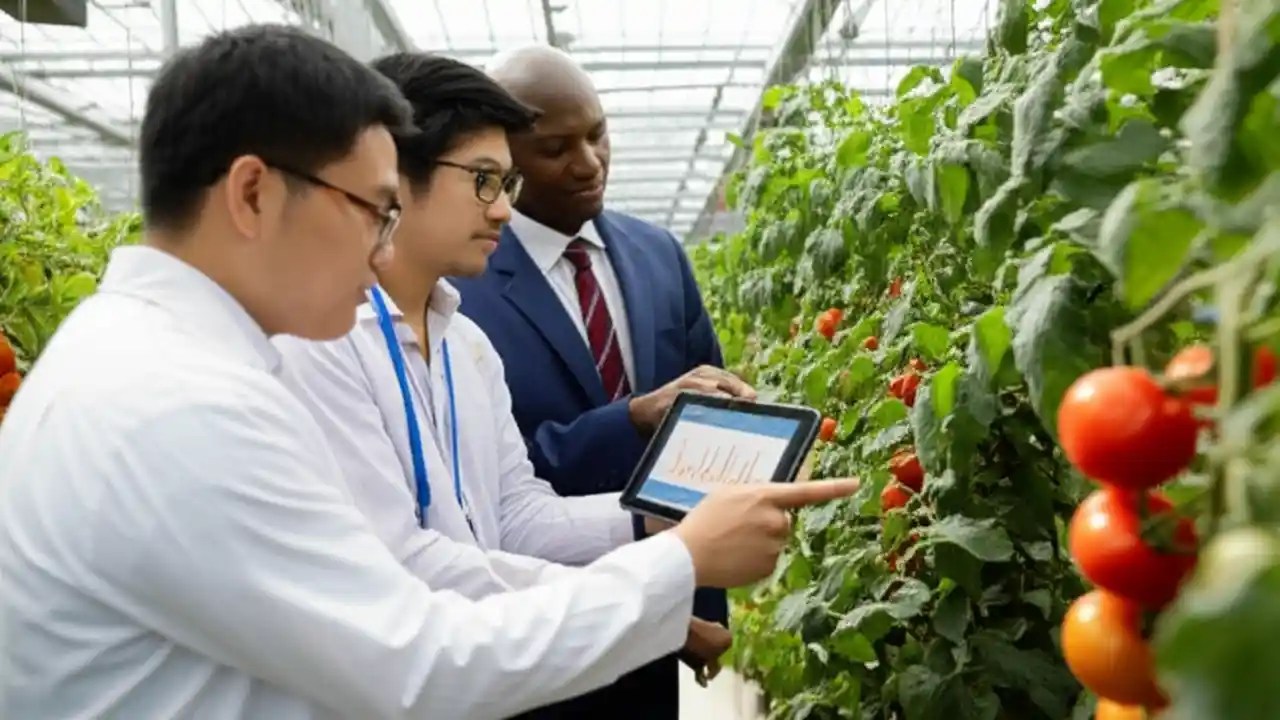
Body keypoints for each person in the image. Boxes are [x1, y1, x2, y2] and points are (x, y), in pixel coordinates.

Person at [0, 25, 859, 720]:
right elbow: (415, 659)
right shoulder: (183, 408)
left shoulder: (145, 359)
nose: (383, 239)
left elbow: (489, 535)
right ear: (253, 193)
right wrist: (676, 563)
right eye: (370, 207)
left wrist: (667, 547)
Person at [272, 51, 728, 666]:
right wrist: (643, 599)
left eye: (506, 184)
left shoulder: (466, 346)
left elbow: (516, 516)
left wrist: (667, 522)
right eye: (484, 180)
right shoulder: (321, 341)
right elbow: (407, 562)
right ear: (394, 174)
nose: (504, 209)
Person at [450, 45, 745, 717]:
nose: (588, 163)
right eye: (556, 148)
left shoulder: (657, 255)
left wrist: (692, 599)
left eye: (597, 134)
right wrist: (632, 417)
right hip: (533, 629)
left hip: (659, 615)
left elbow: (705, 425)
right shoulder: (463, 284)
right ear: (505, 160)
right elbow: (488, 483)